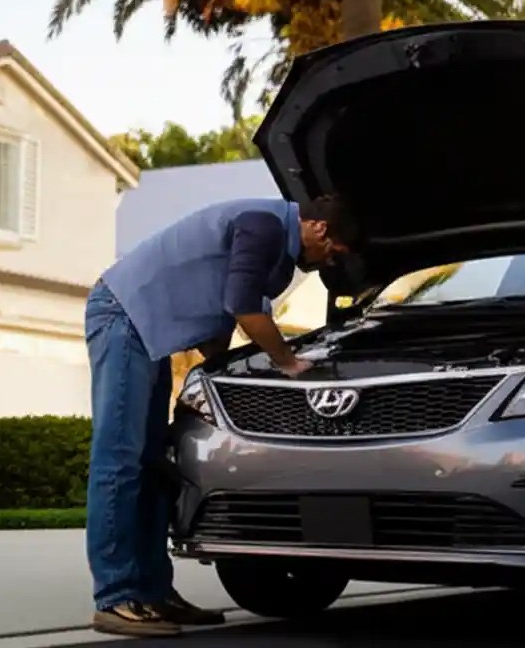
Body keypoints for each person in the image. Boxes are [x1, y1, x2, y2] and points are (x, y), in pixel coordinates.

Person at [84, 194, 360, 637]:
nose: (330, 262)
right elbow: (243, 307)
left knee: (153, 464)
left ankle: (153, 592)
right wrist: (289, 364)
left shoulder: (279, 254)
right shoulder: (264, 224)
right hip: (123, 316)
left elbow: (223, 317)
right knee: (120, 459)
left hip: (148, 329)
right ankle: (116, 597)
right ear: (321, 229)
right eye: (335, 251)